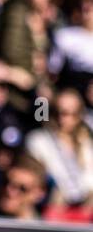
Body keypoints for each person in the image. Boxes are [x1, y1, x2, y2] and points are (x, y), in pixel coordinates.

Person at [25, 88, 93, 221]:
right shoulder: (38, 141)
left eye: (70, 114)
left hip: (85, 210)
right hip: (52, 209)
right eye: (57, 112)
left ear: (79, 115)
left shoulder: (86, 143)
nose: (62, 118)